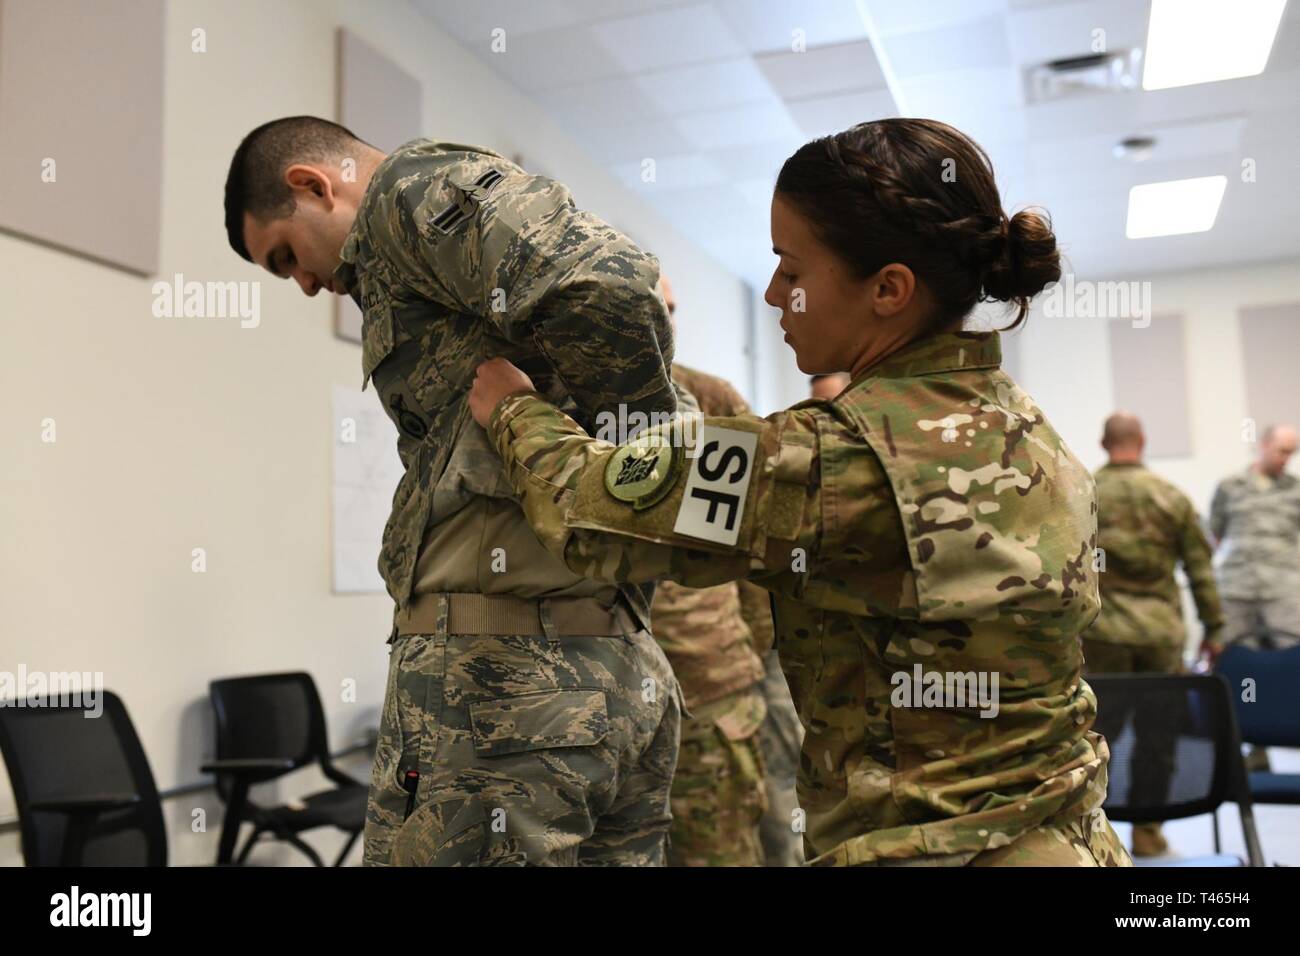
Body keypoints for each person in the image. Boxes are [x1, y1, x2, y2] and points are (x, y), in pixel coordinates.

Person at [469, 118, 1132, 866]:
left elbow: (587, 511)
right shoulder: (1029, 427)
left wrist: (511, 407)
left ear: (888, 289)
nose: (776, 294)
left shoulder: (826, 457)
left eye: (792, 269)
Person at [223, 116, 684, 866]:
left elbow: (608, 284)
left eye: (286, 257)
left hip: (505, 683)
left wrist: (630, 475)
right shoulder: (407, 249)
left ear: (311, 185)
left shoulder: (406, 196)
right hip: (592, 664)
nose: (305, 285)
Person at [650, 275, 775, 865]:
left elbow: (752, 548)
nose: (664, 322)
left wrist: (746, 650)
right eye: (650, 306)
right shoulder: (565, 407)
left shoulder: (711, 403)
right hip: (598, 699)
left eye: (672, 309)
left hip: (706, 685)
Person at [1083, 412, 1223, 857]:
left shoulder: (1081, 490)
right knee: (1158, 734)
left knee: (1095, 732)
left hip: (1102, 634)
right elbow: (1200, 570)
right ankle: (1148, 828)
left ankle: (1090, 824)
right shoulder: (1171, 497)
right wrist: (1214, 627)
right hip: (1160, 635)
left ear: (1105, 443)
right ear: (1141, 441)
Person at [1210, 424, 1300, 651]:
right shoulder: (1230, 486)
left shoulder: (1296, 490)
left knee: (1291, 654)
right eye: (1282, 451)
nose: (1286, 459)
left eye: (1291, 453)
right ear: (1264, 445)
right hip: (1236, 588)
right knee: (1233, 654)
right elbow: (1215, 533)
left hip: (1283, 590)